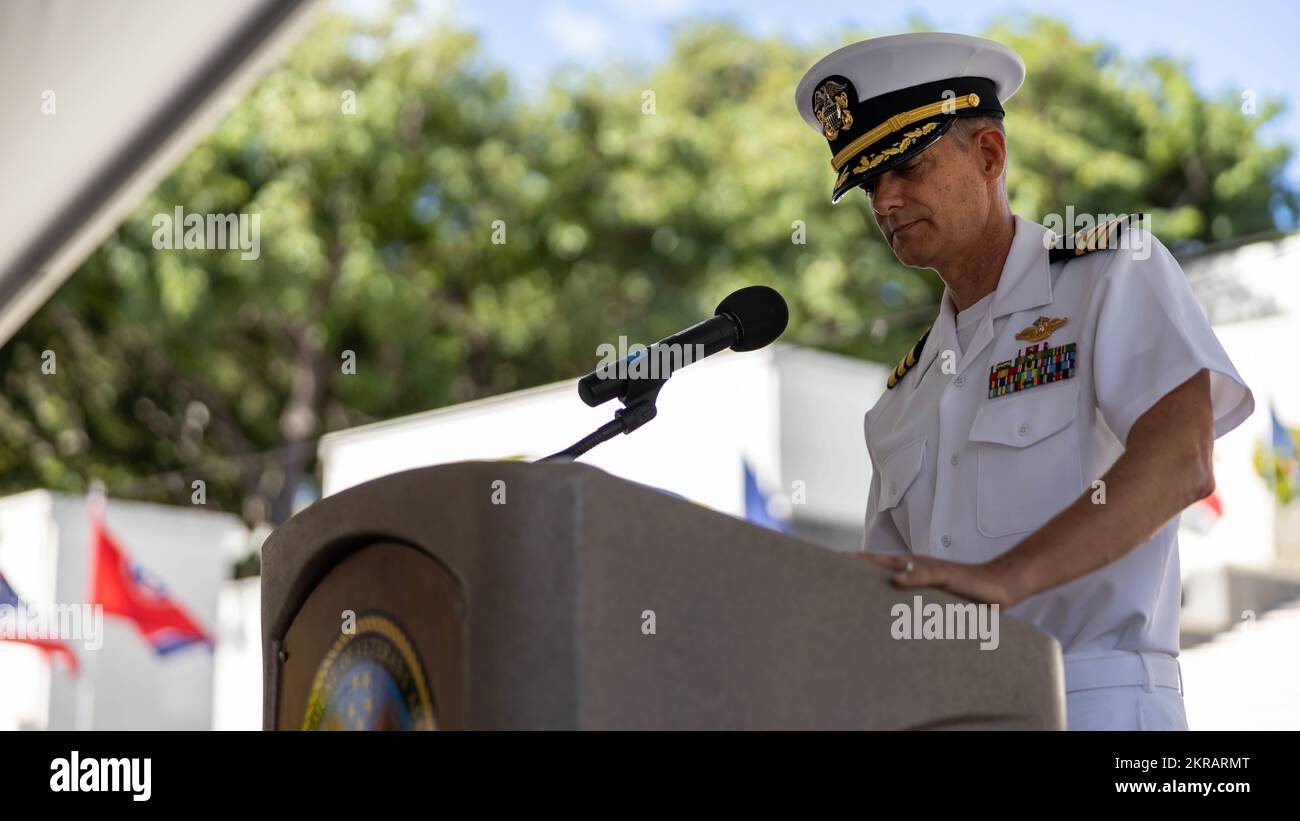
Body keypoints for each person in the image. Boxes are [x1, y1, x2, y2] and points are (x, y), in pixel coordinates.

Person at [795, 32, 1255, 730]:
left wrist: (1006, 579)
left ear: (988, 155)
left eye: (908, 167)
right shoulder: (900, 397)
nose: (885, 199)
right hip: (944, 712)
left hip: (1094, 700)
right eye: (867, 183)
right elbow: (891, 598)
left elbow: (1182, 461)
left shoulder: (1109, 271)